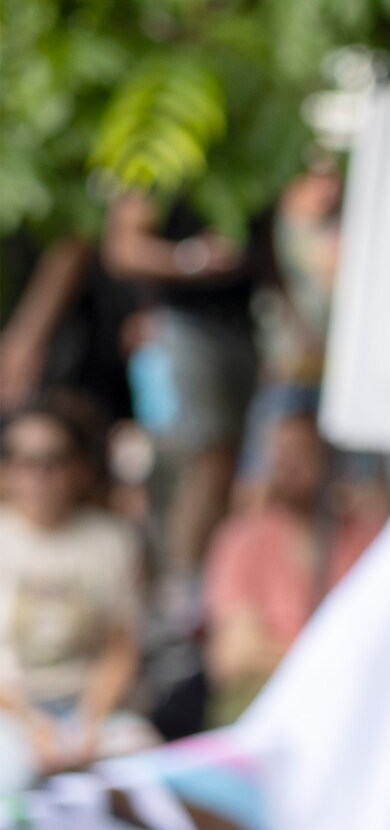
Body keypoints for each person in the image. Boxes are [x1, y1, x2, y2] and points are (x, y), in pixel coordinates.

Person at [102, 193, 265, 591]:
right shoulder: (162, 161)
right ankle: (180, 594)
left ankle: (206, 586)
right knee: (196, 462)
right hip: (182, 331)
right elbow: (122, 249)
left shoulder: (257, 157)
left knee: (227, 467)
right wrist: (193, 259)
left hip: (241, 329)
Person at [202, 392, 387, 718]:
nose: (287, 466)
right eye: (280, 454)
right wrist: (333, 659)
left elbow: (383, 642)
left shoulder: (370, 537)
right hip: (268, 704)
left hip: (353, 704)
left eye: (301, 453)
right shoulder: (242, 539)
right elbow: (235, 655)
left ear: (330, 461)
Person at [0, 393, 149, 788]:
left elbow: (121, 645)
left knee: (143, 767)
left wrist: (90, 721)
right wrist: (31, 725)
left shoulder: (112, 540)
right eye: (24, 461)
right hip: (10, 712)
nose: (39, 476)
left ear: (79, 468)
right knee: (12, 775)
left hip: (87, 707)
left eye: (53, 461)